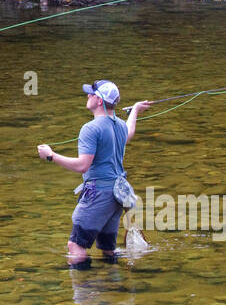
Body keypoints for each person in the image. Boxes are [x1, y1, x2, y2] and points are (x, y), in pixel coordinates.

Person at [37, 80, 151, 268]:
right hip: (117, 195)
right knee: (107, 248)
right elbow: (129, 133)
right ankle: (114, 285)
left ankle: (85, 292)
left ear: (99, 101)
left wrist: (51, 156)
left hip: (98, 194)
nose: (88, 96)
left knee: (75, 246)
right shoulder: (120, 125)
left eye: (91, 94)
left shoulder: (90, 129)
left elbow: (82, 165)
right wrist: (136, 111)